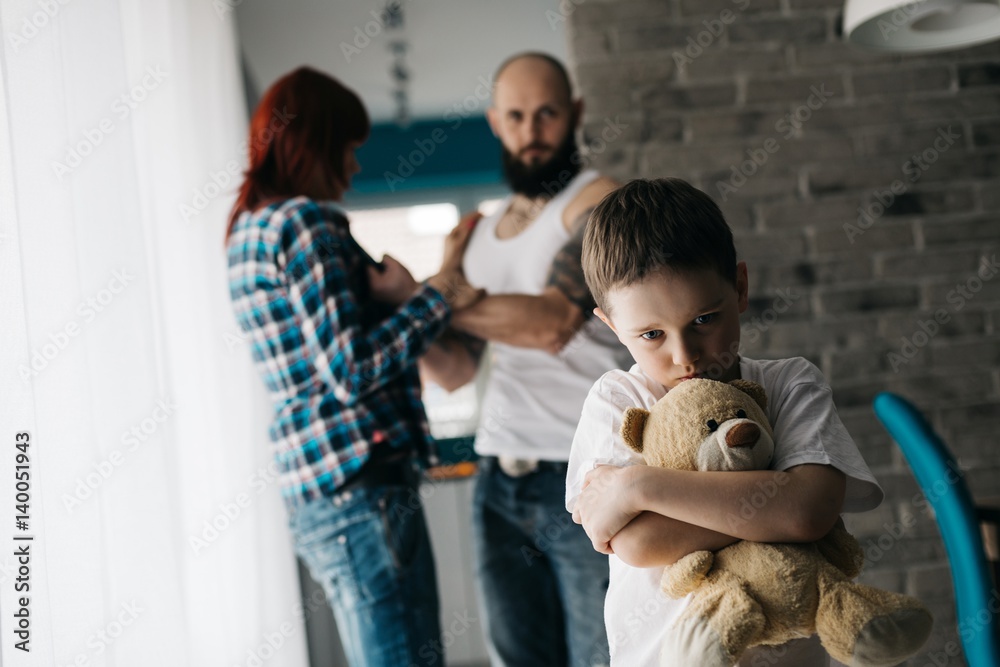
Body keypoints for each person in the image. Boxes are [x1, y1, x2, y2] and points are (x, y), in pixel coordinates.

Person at [567, 178, 885, 666]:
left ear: (739, 287)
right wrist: (772, 503)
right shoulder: (619, 399)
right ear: (611, 326)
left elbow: (808, 512)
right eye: (651, 334)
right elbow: (638, 540)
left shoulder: (789, 384)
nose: (684, 356)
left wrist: (638, 487)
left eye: (703, 320)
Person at [225, 66, 481, 667]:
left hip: (318, 492)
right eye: (348, 147)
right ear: (312, 141)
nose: (355, 166)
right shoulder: (304, 224)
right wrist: (437, 295)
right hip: (363, 489)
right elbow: (351, 369)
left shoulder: (246, 234)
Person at [419, 53, 631, 667]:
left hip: (583, 472)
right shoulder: (481, 234)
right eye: (515, 116)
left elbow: (553, 323)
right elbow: (454, 370)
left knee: (601, 656)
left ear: (575, 115)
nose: (531, 130)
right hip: (497, 474)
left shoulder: (598, 204)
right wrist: (426, 315)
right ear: (494, 122)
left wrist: (435, 299)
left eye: (547, 114)